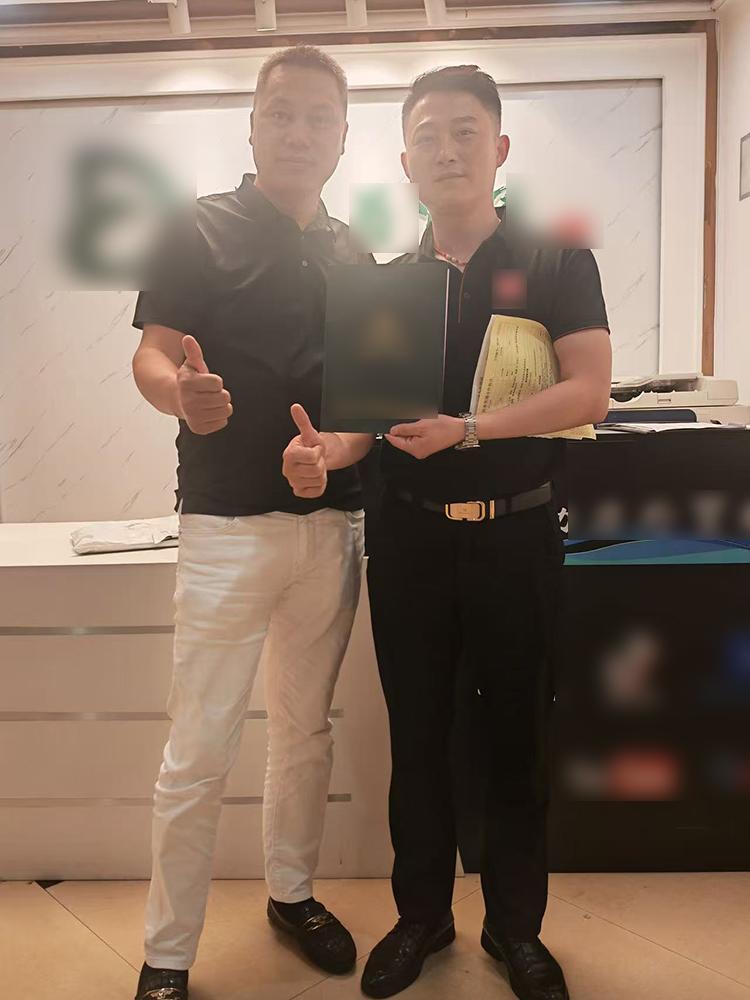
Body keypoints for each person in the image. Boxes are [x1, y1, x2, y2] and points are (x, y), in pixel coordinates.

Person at [283, 65, 612, 1000]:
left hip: (518, 538)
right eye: (427, 136)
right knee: (419, 738)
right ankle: (421, 917)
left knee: (516, 738)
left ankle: (516, 930)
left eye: (466, 132)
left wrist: (469, 429)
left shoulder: (556, 262)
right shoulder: (381, 286)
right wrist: (325, 454)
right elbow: (363, 422)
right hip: (411, 543)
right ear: (405, 163)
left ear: (499, 149)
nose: (447, 150)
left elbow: (588, 392)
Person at [130, 45, 373, 1000]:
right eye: (282, 113)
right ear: (254, 125)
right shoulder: (193, 228)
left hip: (331, 528)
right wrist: (178, 395)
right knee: (200, 747)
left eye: (319, 118)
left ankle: (292, 893)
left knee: (305, 732)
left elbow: (366, 407)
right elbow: (152, 355)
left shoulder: (356, 253)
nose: (299, 132)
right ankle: (167, 954)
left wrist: (334, 454)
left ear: (343, 137)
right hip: (225, 527)